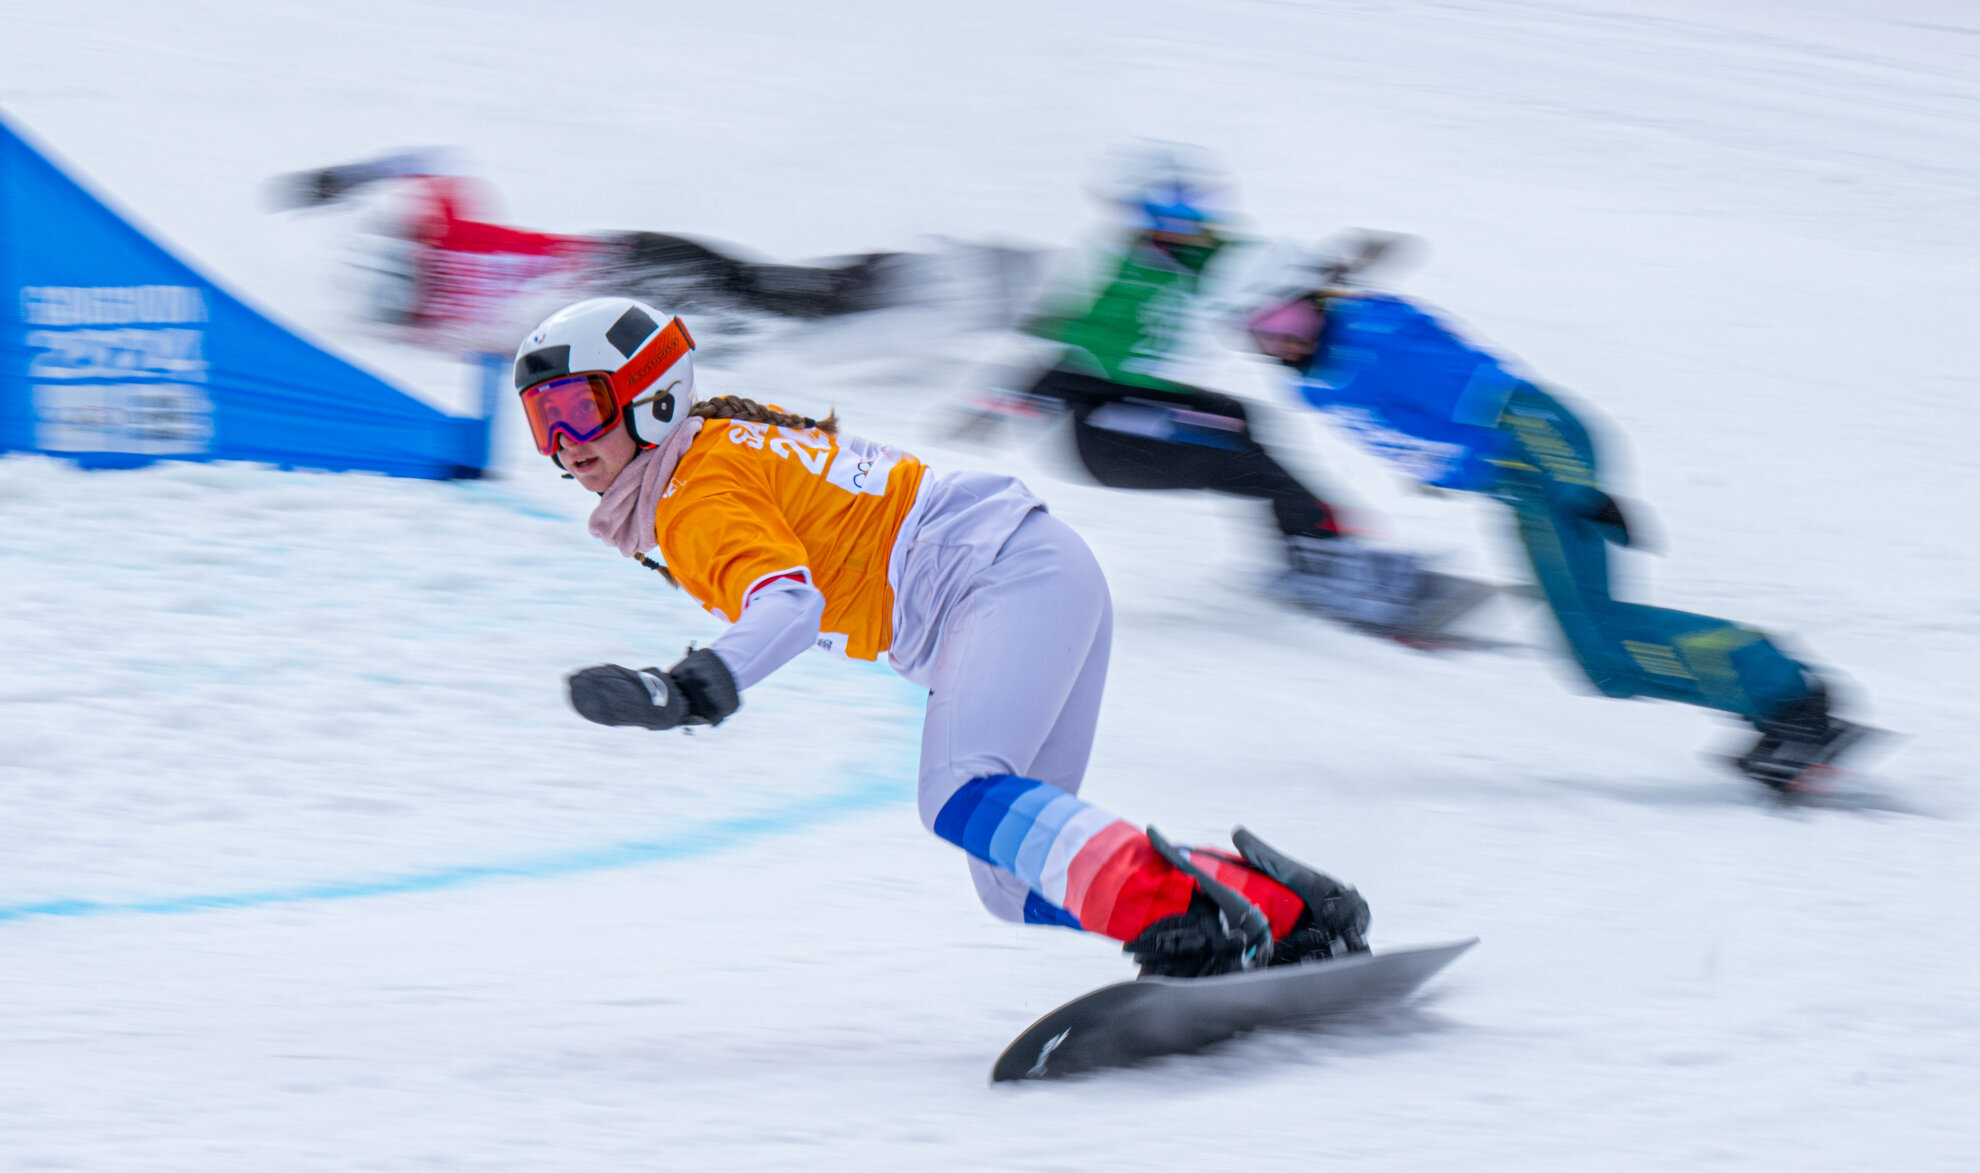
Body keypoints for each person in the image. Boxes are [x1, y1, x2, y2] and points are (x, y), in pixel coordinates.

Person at [513, 294, 1372, 976]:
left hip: (1003, 580)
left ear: (654, 396)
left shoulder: (692, 495)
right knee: (1010, 878)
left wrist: (683, 690)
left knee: (958, 792)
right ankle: (1290, 911)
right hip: (1036, 571)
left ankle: (1193, 920)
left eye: (579, 409)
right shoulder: (709, 451)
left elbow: (790, 604)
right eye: (542, 421)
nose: (562, 444)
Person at [1243, 268, 1870, 791]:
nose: (1281, 343)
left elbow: (1512, 404)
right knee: (1600, 661)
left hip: (1542, 463)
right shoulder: (1325, 371)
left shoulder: (1376, 345)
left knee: (1600, 639)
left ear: (1316, 303)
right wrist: (1436, 466)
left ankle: (1789, 697)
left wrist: (1576, 487)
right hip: (1516, 481)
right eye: (1262, 334)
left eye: (1288, 321)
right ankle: (1780, 710)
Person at [1005, 144, 1485, 639]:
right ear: (1141, 214)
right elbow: (1068, 339)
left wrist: (1336, 266)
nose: (1190, 219)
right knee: (1238, 452)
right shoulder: (1123, 271)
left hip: (1136, 403)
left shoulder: (1204, 250)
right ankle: (1330, 572)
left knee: (1241, 421)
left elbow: (1268, 276)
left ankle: (1321, 558)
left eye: (1196, 203)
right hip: (1102, 428)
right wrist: (1024, 392)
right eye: (1170, 208)